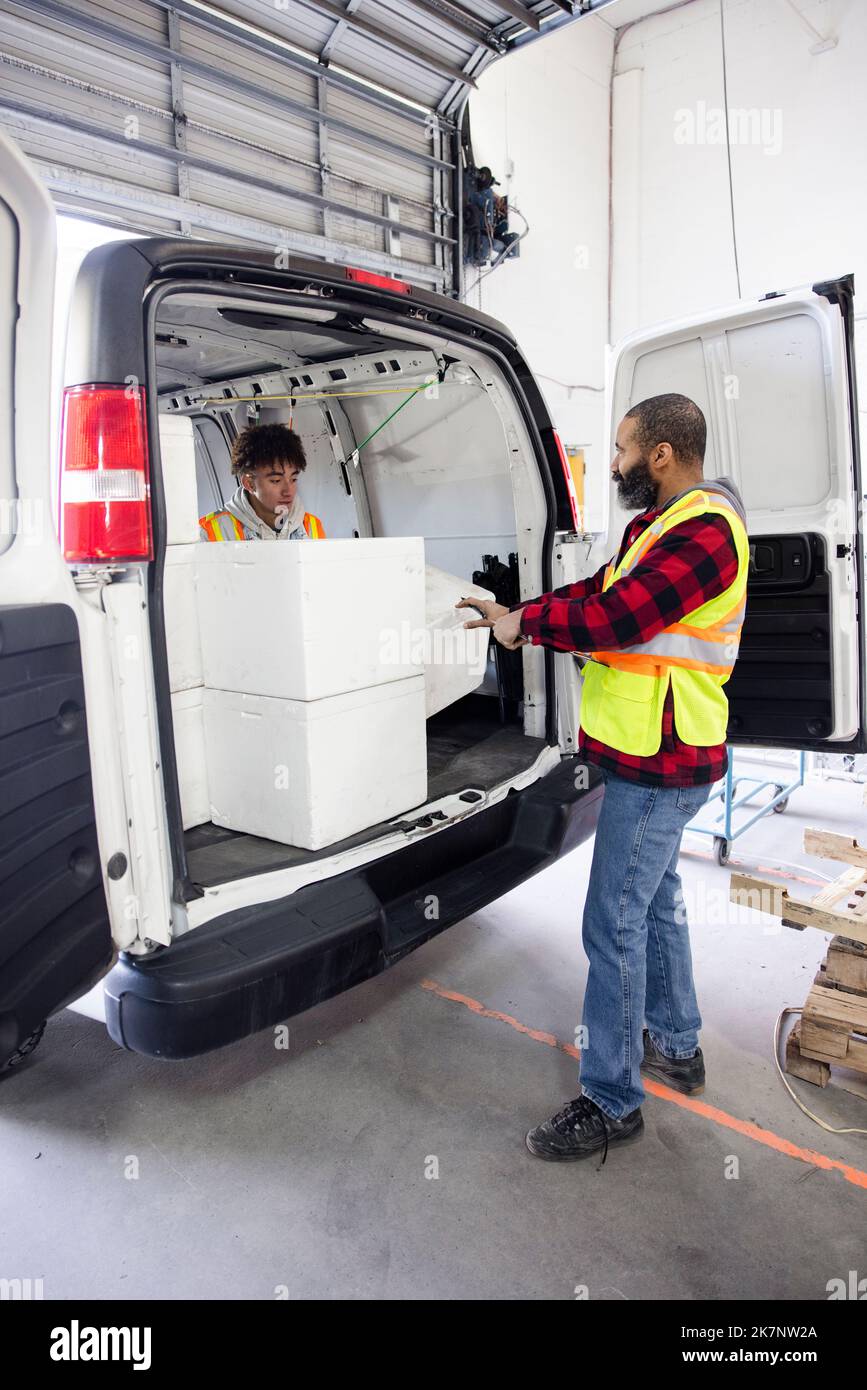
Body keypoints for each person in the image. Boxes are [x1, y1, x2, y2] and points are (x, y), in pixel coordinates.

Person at [458, 393, 749, 1167]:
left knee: (611, 921)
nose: (614, 462)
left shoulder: (707, 535)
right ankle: (677, 1045)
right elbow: (596, 595)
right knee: (654, 902)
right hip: (644, 751)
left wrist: (531, 627)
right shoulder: (655, 525)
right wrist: (520, 613)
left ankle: (612, 1099)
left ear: (660, 452)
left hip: (665, 760)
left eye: (621, 450)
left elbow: (619, 621)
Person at [199, 422, 325, 541]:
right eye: (276, 480)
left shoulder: (312, 527)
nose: (288, 491)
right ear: (249, 483)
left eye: (293, 479)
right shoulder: (209, 533)